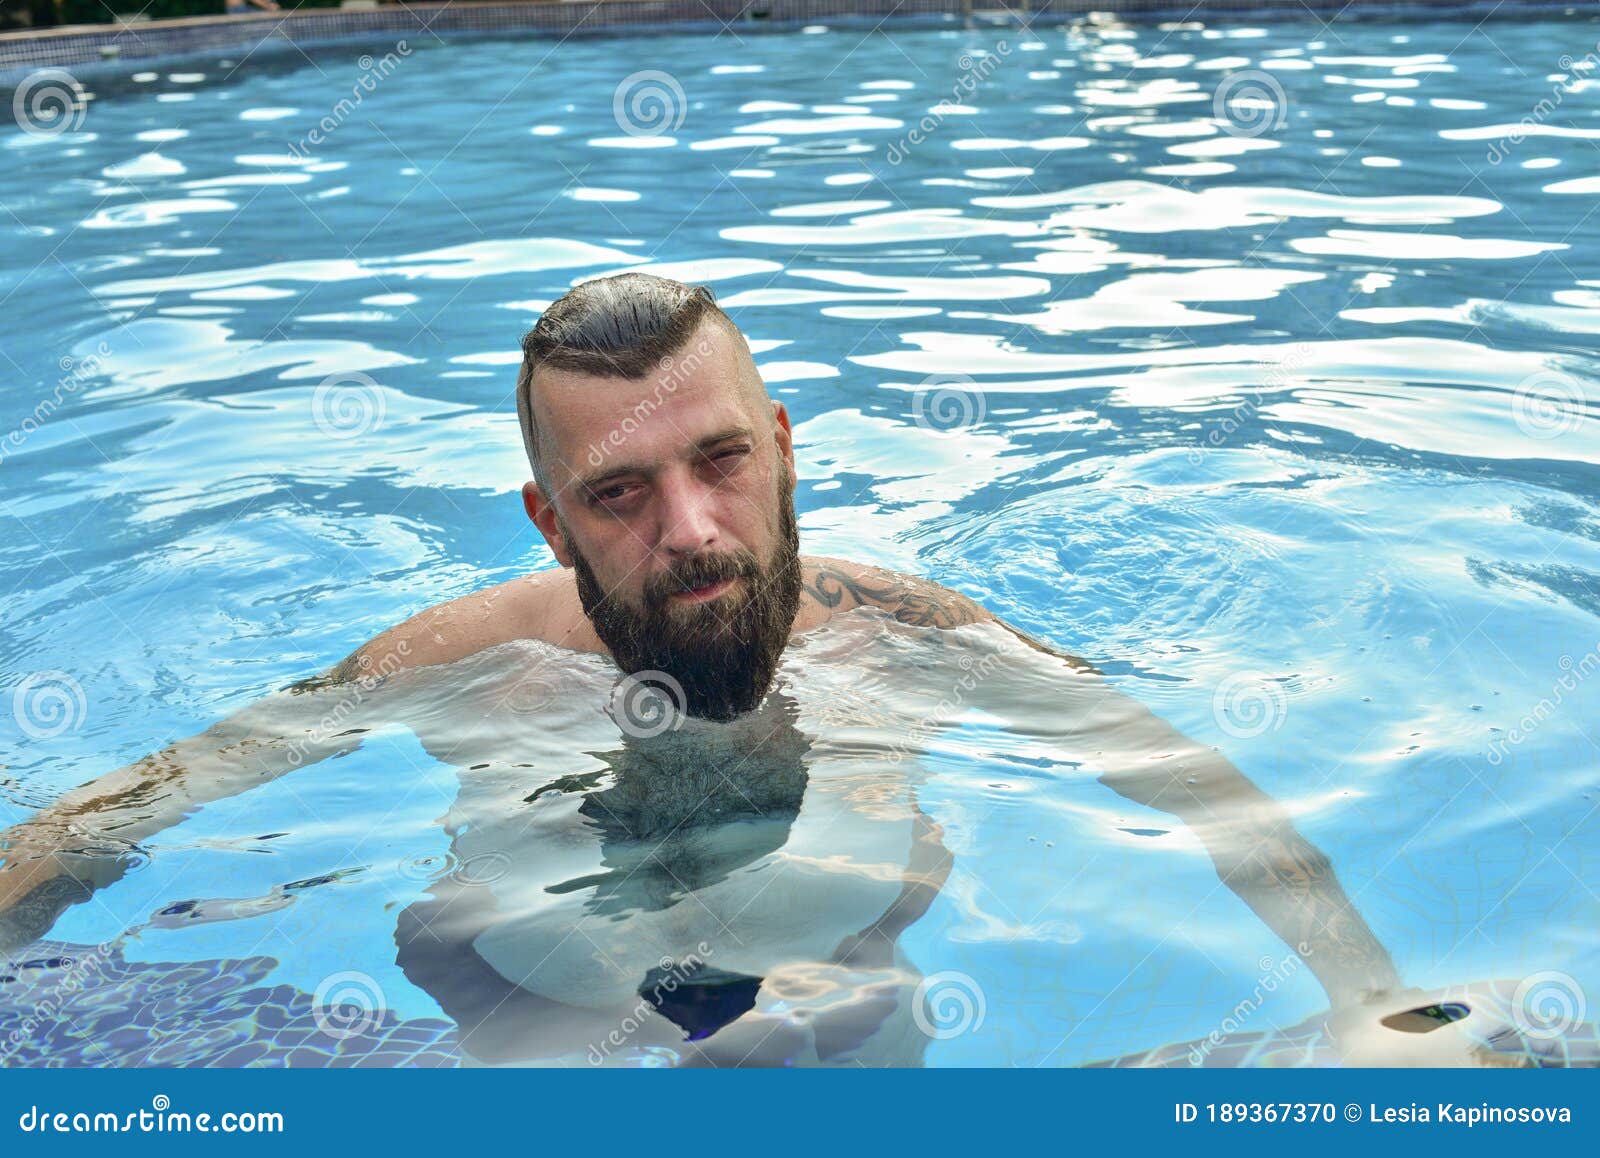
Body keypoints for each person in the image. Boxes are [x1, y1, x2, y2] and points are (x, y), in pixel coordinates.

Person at [0, 274, 1475, 1065]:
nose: (691, 531)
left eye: (719, 462)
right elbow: (146, 799)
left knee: (854, 997)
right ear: (550, 519)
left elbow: (1191, 782)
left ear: (782, 450)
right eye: (619, 492)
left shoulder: (912, 630)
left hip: (839, 969)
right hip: (539, 980)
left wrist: (1380, 1007)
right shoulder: (460, 655)